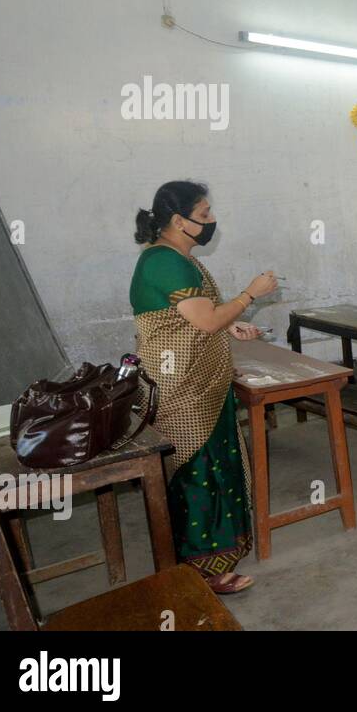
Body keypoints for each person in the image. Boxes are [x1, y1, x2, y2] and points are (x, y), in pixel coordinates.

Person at [130, 181, 277, 593]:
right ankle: (202, 571)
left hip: (202, 381)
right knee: (198, 472)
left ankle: (212, 557)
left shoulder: (180, 257)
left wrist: (233, 322)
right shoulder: (164, 262)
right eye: (205, 213)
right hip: (181, 388)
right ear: (179, 220)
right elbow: (206, 321)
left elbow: (200, 316)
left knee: (215, 466)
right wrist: (250, 294)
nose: (212, 221)